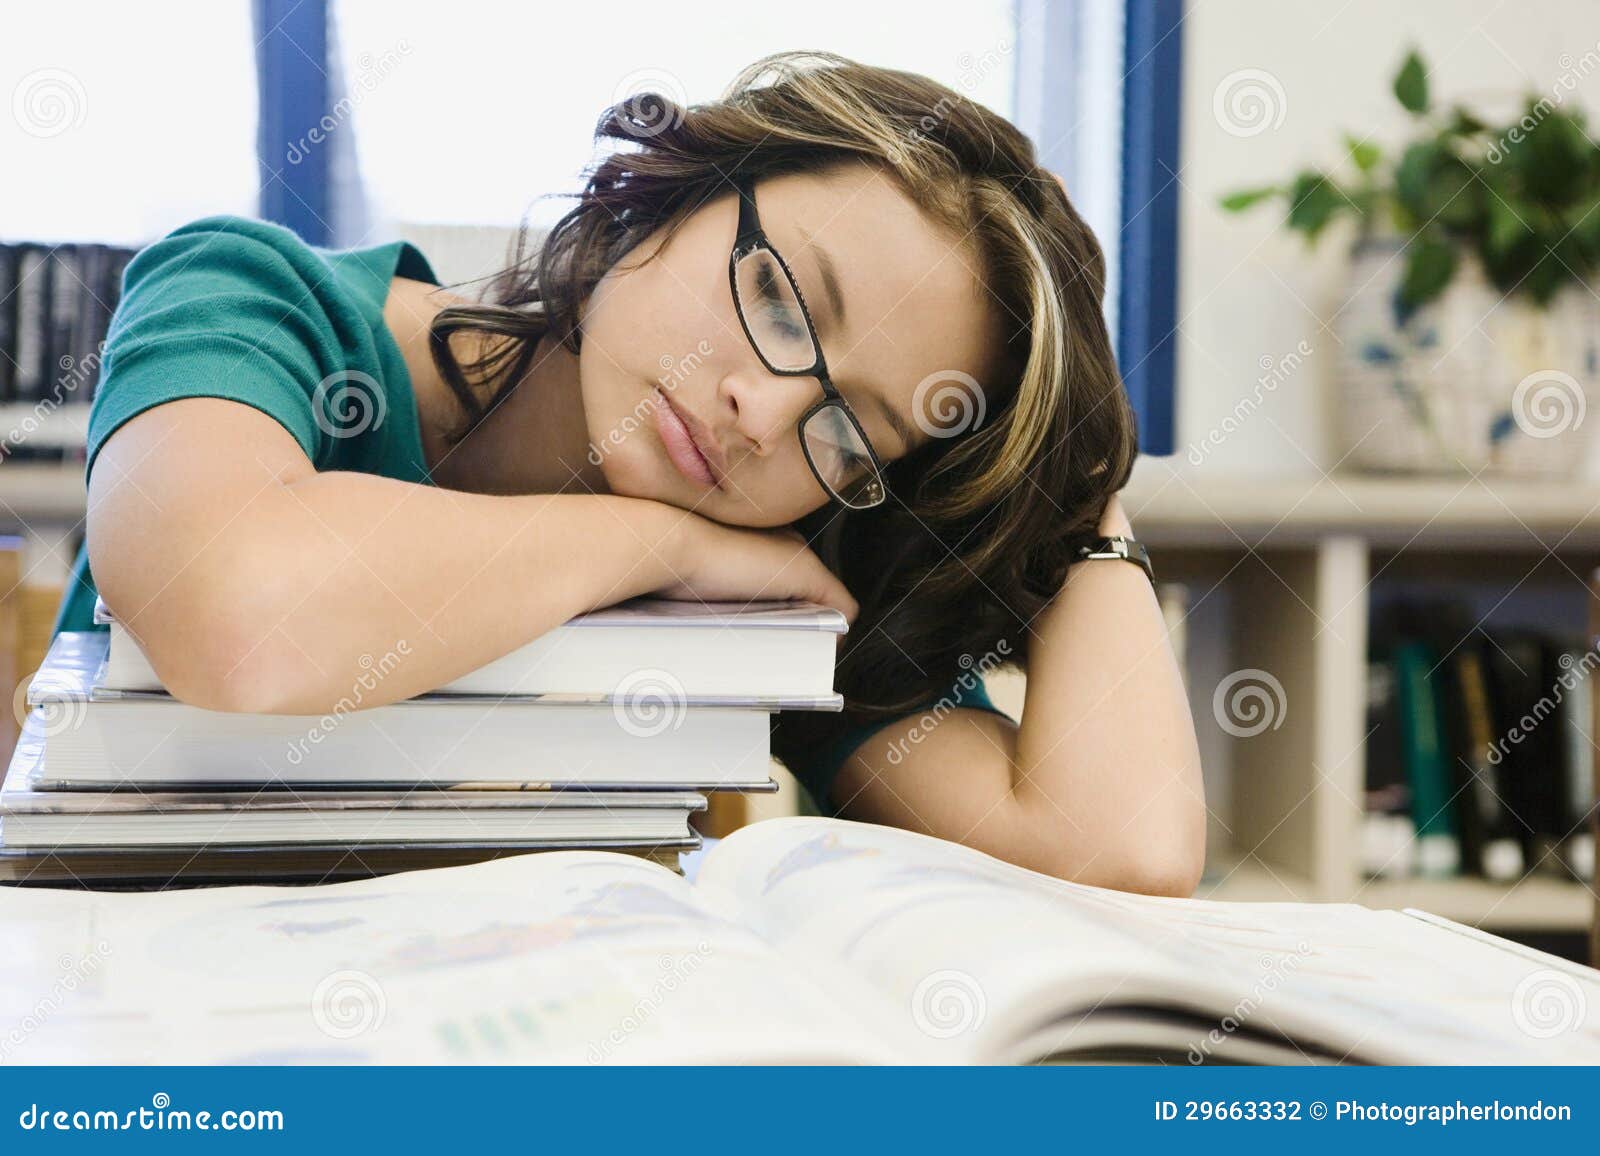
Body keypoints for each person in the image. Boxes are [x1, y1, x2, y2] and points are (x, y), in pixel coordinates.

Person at [58, 52, 1204, 895]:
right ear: (671, 183)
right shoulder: (257, 297)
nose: (765, 413)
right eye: (775, 298)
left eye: (853, 429)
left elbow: (1114, 850)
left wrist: (1075, 486)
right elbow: (240, 614)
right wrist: (659, 547)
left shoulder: (790, 550)